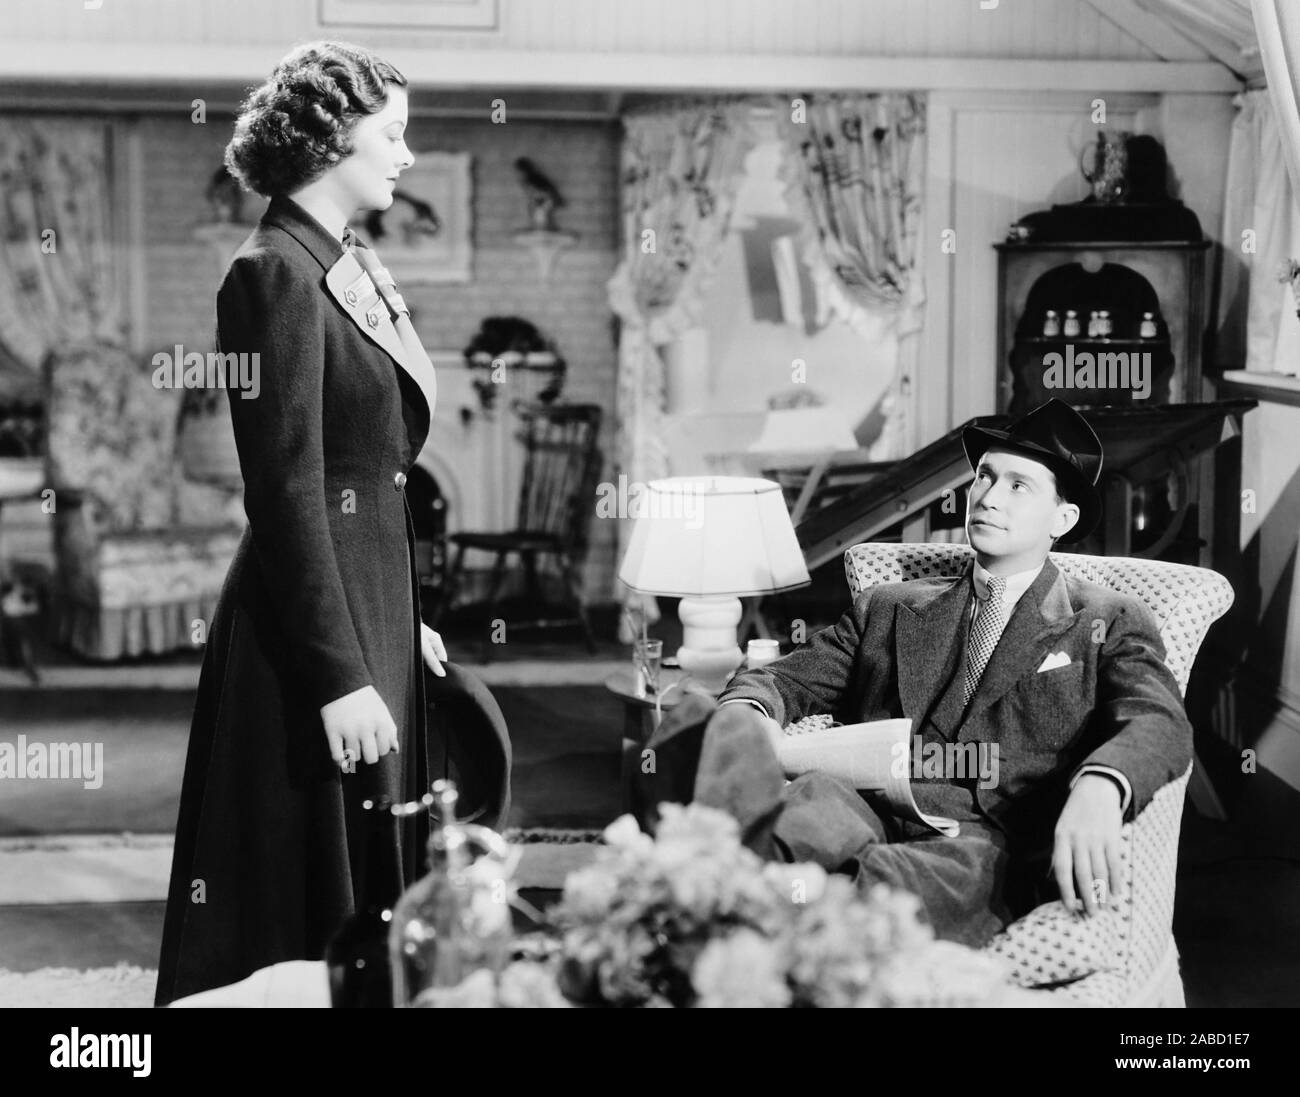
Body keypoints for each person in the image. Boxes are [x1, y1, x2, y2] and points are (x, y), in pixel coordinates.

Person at [638, 399, 1192, 948]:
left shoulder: (1105, 618)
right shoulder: (889, 606)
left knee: (877, 892)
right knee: (793, 820)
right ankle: (705, 893)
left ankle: (771, 924)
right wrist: (748, 714)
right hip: (867, 805)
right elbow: (786, 679)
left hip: (987, 841)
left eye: (1018, 486)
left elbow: (1159, 722)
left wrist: (1101, 784)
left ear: (1062, 519)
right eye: (985, 477)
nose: (989, 498)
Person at [155, 41, 452, 1005]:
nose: (407, 157)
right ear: (330, 140)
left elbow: (372, 474)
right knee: (300, 907)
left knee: (375, 889)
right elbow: (287, 491)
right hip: (306, 643)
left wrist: (399, 619)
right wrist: (339, 674)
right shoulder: (273, 273)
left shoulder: (345, 260)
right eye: (394, 136)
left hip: (365, 608)